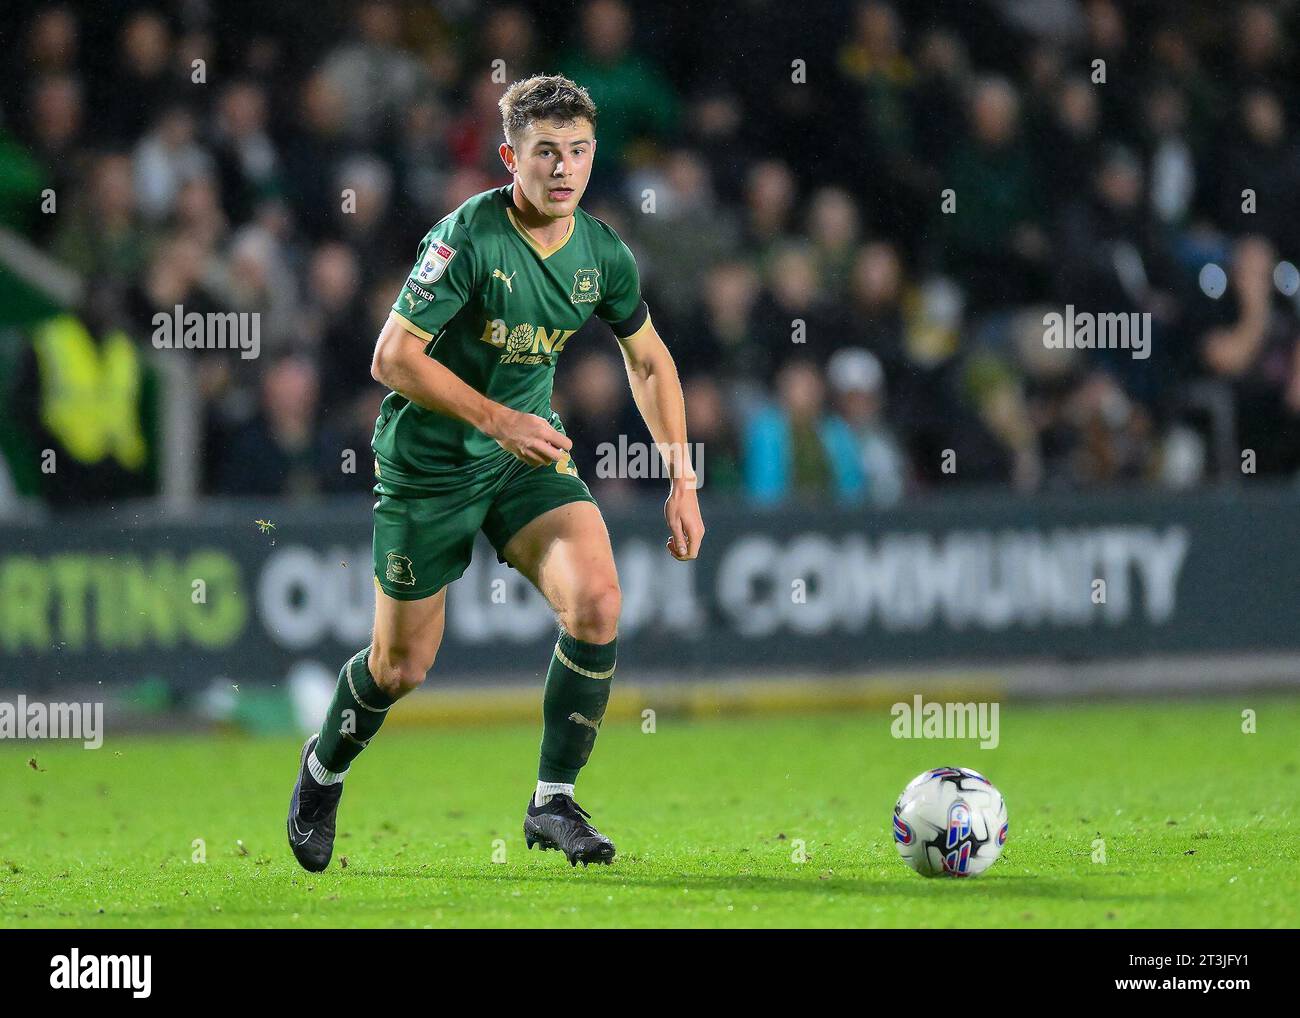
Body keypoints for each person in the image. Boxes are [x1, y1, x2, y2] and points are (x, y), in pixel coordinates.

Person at [287, 75, 704, 871]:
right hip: (431, 466)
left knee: (598, 600)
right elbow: (391, 356)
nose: (564, 169)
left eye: (579, 152)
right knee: (400, 667)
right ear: (511, 156)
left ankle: (553, 800)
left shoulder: (602, 253)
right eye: (546, 153)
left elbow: (648, 361)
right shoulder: (468, 237)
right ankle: (322, 770)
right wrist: (497, 417)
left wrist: (682, 477)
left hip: (524, 462)